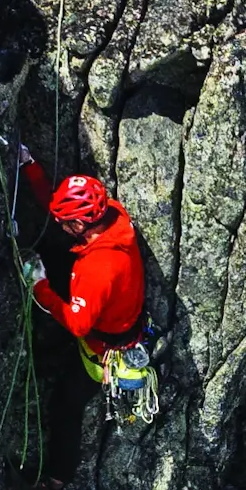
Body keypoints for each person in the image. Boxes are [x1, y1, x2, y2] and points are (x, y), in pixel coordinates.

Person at [27, 163, 151, 383]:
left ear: (78, 225)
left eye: (64, 223)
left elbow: (78, 324)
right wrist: (30, 166)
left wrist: (39, 287)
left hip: (106, 341)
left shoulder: (96, 269)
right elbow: (64, 207)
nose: (59, 224)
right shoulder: (113, 214)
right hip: (125, 314)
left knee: (71, 395)